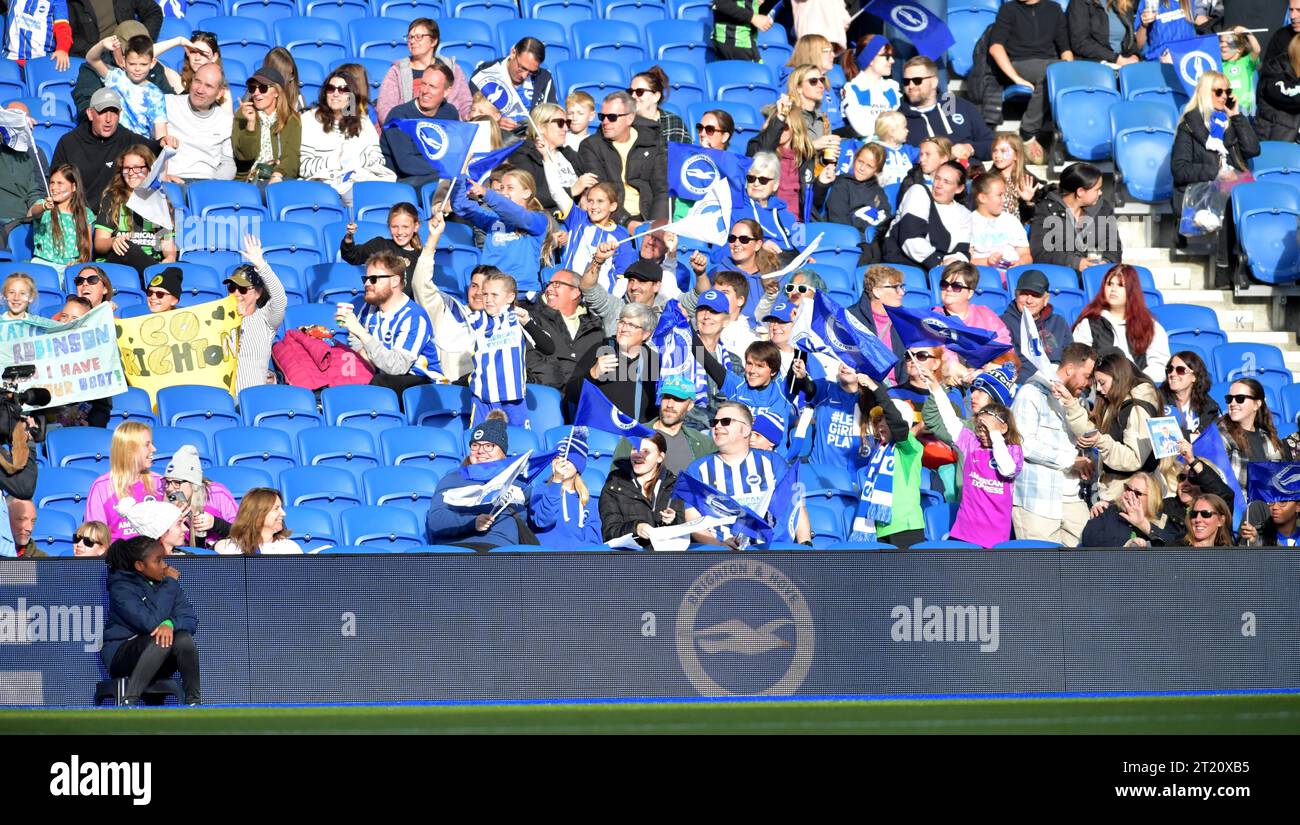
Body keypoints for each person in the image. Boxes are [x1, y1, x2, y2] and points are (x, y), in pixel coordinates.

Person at [683, 402, 811, 547]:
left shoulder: (774, 463)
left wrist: (805, 544)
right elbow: (693, 519)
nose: (717, 426)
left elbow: (797, 507)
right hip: (721, 558)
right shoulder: (697, 469)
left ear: (746, 430)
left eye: (725, 421)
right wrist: (719, 545)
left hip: (771, 553)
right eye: (714, 422)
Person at [1172, 70, 1259, 281]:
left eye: (1227, 91)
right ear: (1204, 92)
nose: (1224, 97)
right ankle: (1225, 270)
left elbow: (1253, 150)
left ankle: (1258, 266)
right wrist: (1216, 173)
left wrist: (1237, 116)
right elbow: (1180, 169)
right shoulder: (1189, 126)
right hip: (1199, 193)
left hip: (1231, 185)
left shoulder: (1231, 122)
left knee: (1253, 197)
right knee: (1231, 198)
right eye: (1218, 91)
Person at [923, 370, 1024, 547]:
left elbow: (1007, 469)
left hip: (996, 536)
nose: (982, 433)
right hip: (965, 532)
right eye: (980, 427)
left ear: (1004, 428)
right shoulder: (971, 443)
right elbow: (949, 418)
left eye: (987, 428)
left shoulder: (1013, 451)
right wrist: (936, 388)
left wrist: (995, 434)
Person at [1011, 342, 1097, 544]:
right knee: (1041, 570)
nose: (1088, 384)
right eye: (1086, 376)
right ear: (1069, 369)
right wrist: (1071, 461)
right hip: (1037, 501)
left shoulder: (1078, 401)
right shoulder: (1030, 394)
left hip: (1072, 497)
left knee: (1087, 563)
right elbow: (1023, 444)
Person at [100, 534, 200, 706]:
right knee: (161, 639)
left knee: (183, 638)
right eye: (158, 561)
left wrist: (170, 624)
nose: (165, 566)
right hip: (122, 656)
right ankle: (130, 700)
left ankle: (194, 702)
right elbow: (150, 623)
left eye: (164, 559)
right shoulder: (121, 587)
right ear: (140, 565)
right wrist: (169, 585)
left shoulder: (168, 585)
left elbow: (190, 619)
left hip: (159, 655)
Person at [1057, 351, 1161, 505]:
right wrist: (1071, 404)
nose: (1098, 389)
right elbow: (1091, 431)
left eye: (1102, 382)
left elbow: (1134, 459)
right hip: (1112, 494)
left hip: (1132, 499)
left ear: (1118, 379)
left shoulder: (1138, 408)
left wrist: (1101, 441)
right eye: (1096, 383)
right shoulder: (1113, 402)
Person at [336, 250, 443, 397]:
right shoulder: (369, 308)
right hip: (383, 376)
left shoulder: (414, 317)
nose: (367, 283)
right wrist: (363, 351)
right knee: (342, 365)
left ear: (394, 281)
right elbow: (355, 339)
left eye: (373, 279)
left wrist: (361, 333)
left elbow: (398, 367)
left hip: (422, 385)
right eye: (365, 278)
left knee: (380, 383)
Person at [426, 414, 533, 549]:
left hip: (504, 551)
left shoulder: (518, 483)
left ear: (503, 453)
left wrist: (557, 481)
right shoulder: (453, 479)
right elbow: (436, 519)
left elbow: (542, 519)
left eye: (489, 446)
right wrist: (472, 523)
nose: (481, 451)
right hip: (460, 549)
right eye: (475, 445)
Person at [987, 0, 1074, 164]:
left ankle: (1070, 138)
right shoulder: (1009, 9)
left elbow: (1065, 49)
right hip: (1019, 64)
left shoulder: (1054, 8)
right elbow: (995, 48)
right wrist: (1016, 78)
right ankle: (1027, 131)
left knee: (1064, 73)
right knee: (1052, 71)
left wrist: (1068, 73)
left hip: (1050, 65)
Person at [51, 87, 165, 208]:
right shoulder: (69, 142)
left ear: (120, 114)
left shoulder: (127, 138)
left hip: (114, 216)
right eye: (102, 112)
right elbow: (56, 184)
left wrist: (164, 142)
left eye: (114, 112)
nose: (108, 119)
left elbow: (157, 148)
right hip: (80, 217)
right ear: (90, 114)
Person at [750, 70, 837, 225]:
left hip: (798, 225)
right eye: (777, 126)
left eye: (785, 127)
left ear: (795, 129)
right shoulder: (758, 148)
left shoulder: (804, 157)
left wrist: (822, 184)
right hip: (770, 222)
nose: (779, 130)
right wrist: (781, 117)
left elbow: (812, 203)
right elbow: (766, 149)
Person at [299, 69, 396, 205]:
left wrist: (354, 165)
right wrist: (335, 162)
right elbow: (304, 165)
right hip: (323, 185)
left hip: (358, 181)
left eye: (342, 89)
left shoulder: (363, 121)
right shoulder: (308, 120)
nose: (335, 94)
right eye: (331, 89)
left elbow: (377, 159)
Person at [846, 382, 924, 548]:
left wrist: (876, 389)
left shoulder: (910, 447)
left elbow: (898, 423)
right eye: (878, 420)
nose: (880, 424)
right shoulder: (880, 451)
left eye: (885, 419)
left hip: (905, 528)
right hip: (881, 529)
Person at [451, 173, 554, 295]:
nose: (504, 192)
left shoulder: (538, 220)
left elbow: (518, 215)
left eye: (510, 188)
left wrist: (488, 195)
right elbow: (460, 205)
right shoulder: (492, 219)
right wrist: (459, 176)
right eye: (501, 188)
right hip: (490, 292)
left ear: (526, 193)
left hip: (520, 292)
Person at [578, 90, 668, 228]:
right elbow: (599, 191)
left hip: (648, 217)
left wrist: (655, 226)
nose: (605, 122)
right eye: (602, 117)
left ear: (630, 118)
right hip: (613, 220)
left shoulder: (652, 143)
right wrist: (627, 223)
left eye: (612, 117)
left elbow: (662, 190)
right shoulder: (591, 146)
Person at [1072, 264, 1169, 384]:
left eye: (1120, 285)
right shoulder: (1089, 323)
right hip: (1101, 391)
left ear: (1131, 290)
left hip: (1139, 389)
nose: (1113, 289)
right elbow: (1080, 363)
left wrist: (1135, 382)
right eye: (1109, 284)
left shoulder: (1150, 325)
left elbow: (1159, 366)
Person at [565, 302, 661, 424]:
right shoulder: (600, 349)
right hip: (598, 431)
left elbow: (656, 410)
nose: (624, 328)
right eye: (622, 322)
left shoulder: (653, 361)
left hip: (633, 436)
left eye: (631, 325)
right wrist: (593, 373)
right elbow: (570, 394)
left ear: (646, 334)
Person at [92, 144, 177, 275]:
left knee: (187, 268)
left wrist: (170, 258)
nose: (131, 173)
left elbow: (167, 245)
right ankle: (157, 275)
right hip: (118, 262)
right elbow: (99, 243)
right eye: (126, 168)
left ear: (149, 169)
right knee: (129, 247)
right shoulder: (112, 199)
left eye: (137, 168)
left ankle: (156, 275)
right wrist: (113, 241)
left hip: (148, 262)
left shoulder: (159, 200)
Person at [611, 374, 716, 474]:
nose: (670, 404)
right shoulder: (635, 435)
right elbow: (615, 482)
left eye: (678, 399)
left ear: (690, 405)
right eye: (666, 397)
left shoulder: (702, 443)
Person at [379, 63, 461, 191]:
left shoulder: (450, 113)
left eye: (432, 86)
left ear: (446, 91)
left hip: (437, 176)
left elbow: (453, 151)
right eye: (424, 84)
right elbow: (407, 164)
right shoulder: (400, 116)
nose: (425, 91)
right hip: (402, 183)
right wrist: (448, 169)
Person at [520, 268, 604, 391]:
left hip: (585, 396)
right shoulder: (532, 320)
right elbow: (533, 360)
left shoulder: (595, 326)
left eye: (557, 284)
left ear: (575, 292)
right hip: (551, 394)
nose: (548, 289)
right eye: (548, 284)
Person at [1029, 161, 1122, 272]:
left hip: (1095, 276)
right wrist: (1075, 263)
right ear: (1080, 192)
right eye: (1097, 189)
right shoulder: (1046, 209)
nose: (1101, 193)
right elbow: (1039, 253)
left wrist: (1106, 262)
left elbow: (1113, 246)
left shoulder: (1103, 209)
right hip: (1058, 277)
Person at [897, 56, 994, 162]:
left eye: (917, 80)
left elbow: (991, 145)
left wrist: (970, 148)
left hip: (970, 174)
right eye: (906, 81)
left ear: (934, 82)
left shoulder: (960, 106)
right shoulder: (899, 119)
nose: (910, 86)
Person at [376, 17, 472, 124]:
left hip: (448, 127)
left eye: (419, 37)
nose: (412, 41)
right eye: (410, 37)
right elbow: (385, 108)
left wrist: (470, 117)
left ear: (434, 41)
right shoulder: (397, 71)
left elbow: (465, 104)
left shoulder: (452, 69)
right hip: (408, 129)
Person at [224, 235, 288, 395]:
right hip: (223, 403)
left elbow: (280, 298)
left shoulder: (264, 319)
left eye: (243, 289)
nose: (236, 293)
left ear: (258, 293)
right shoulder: (217, 320)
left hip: (253, 401)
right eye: (232, 288)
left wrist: (261, 264)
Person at [600, 433, 684, 549]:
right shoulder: (615, 483)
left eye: (646, 451)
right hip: (627, 560)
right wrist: (636, 528)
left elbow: (683, 534)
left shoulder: (673, 485)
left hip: (665, 559)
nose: (638, 454)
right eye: (635, 448)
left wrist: (672, 521)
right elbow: (609, 531)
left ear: (660, 457)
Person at [883, 160, 972, 268]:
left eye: (946, 182)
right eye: (937, 178)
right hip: (903, 263)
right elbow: (911, 240)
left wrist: (953, 263)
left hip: (942, 269)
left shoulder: (964, 213)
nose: (939, 185)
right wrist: (939, 264)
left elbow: (962, 251)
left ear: (959, 188)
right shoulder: (918, 192)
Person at [84, 30, 169, 141]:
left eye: (143, 64)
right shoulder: (116, 77)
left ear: (152, 63)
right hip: (112, 142)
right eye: (132, 64)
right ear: (124, 61)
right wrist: (102, 44)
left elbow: (161, 133)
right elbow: (91, 59)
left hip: (139, 147)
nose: (137, 69)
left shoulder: (156, 94)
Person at [84, 421, 161, 541]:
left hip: (153, 557)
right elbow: (95, 538)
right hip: (116, 558)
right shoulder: (102, 487)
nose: (154, 449)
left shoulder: (159, 483)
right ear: (129, 449)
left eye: (152, 443)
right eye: (147, 445)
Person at [511, 101, 589, 217]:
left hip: (578, 217)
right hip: (549, 220)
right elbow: (529, 195)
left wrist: (586, 195)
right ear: (541, 127)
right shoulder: (523, 155)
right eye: (560, 123)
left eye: (567, 122)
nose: (566, 128)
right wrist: (571, 191)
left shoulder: (567, 153)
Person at [555, 183, 635, 294]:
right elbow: (556, 192)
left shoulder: (622, 235)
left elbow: (622, 276)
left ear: (613, 206)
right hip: (569, 291)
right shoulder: (578, 218)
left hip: (601, 299)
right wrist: (548, 164)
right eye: (590, 201)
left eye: (600, 201)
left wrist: (612, 303)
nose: (593, 206)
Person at [819, 142, 892, 264]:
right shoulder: (842, 185)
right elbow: (840, 222)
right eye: (860, 162)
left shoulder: (878, 191)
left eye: (869, 166)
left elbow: (885, 218)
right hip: (844, 243)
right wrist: (866, 222)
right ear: (855, 159)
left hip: (870, 243)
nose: (862, 168)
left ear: (876, 170)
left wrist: (861, 221)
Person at [162, 62, 235, 182]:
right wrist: (162, 175)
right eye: (197, 81)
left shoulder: (226, 120)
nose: (200, 90)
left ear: (220, 93)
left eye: (208, 86)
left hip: (206, 182)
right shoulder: (168, 104)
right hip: (172, 178)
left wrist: (212, 187)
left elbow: (228, 163)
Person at [1000, 269, 1074, 384]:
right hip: (1022, 386)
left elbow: (1071, 360)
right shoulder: (1003, 323)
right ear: (1016, 295)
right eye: (1024, 294)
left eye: (1036, 295)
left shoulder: (1058, 323)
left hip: (1058, 386)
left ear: (1046, 299)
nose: (1029, 300)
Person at [529, 430, 603, 546]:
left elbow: (594, 541)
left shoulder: (588, 501)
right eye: (557, 458)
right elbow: (543, 520)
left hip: (580, 560)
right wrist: (557, 481)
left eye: (568, 459)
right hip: (548, 559)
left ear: (578, 466)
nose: (562, 462)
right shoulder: (540, 491)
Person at [933, 262, 1012, 369]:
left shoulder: (985, 314)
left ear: (970, 293)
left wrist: (990, 367)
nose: (948, 289)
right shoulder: (933, 318)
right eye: (944, 284)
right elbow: (939, 350)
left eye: (956, 286)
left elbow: (1003, 345)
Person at [232, 65, 301, 184]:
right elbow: (244, 157)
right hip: (248, 180)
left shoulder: (291, 119)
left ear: (276, 92)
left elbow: (292, 157)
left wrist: (277, 174)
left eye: (263, 88)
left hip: (280, 178)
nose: (256, 93)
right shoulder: (242, 114)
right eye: (252, 88)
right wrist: (251, 124)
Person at [472, 36, 556, 134]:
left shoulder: (543, 78)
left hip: (532, 140)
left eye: (531, 72)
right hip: (496, 140)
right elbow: (473, 116)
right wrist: (496, 123)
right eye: (522, 68)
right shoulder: (484, 74)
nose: (524, 76)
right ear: (513, 53)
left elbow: (550, 116)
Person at [579, 248, 668, 337]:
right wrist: (598, 260)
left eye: (642, 281)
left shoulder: (669, 315)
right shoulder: (614, 307)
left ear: (656, 286)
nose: (634, 287)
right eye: (631, 281)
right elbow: (588, 287)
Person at [161, 445, 236, 550]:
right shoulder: (168, 498)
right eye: (167, 482)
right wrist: (174, 522)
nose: (169, 488)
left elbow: (242, 534)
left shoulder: (217, 493)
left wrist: (215, 523)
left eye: (177, 482)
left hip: (218, 556)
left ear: (193, 483)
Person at [1219, 377, 1288, 488]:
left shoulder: (1268, 438)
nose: (1232, 403)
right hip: (1239, 502)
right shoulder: (1221, 435)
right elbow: (1220, 482)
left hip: (1270, 502)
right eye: (1229, 398)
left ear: (1257, 404)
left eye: (1240, 398)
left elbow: (1279, 480)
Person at [27, 164, 94, 270]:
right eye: (52, 182)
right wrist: (44, 206)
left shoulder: (85, 213)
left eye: (60, 183)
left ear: (74, 187)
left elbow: (87, 248)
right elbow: (32, 213)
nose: (54, 187)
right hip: (43, 264)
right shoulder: (43, 206)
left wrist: (79, 263)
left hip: (71, 267)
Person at [731, 151, 800, 253]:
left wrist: (808, 255)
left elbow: (801, 242)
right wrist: (759, 247)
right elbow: (722, 251)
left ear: (775, 185)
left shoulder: (787, 214)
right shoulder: (735, 210)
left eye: (763, 180)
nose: (756, 184)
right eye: (751, 178)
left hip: (789, 261)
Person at [340, 202, 422, 288]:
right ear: (388, 226)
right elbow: (351, 255)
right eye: (394, 227)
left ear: (416, 226)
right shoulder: (379, 245)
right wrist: (349, 236)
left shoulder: (423, 256)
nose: (400, 232)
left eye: (405, 227)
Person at [1078, 470, 1169, 547]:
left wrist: (1143, 524)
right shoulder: (1105, 510)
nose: (1129, 494)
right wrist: (1124, 545)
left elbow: (1170, 543)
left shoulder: (1160, 519)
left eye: (1137, 493)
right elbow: (1088, 539)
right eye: (1128, 488)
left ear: (1151, 499)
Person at [1254, 1, 1300, 141]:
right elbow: (1270, 85)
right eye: (1291, 10)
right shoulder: (1282, 38)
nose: (1293, 15)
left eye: (1298, 10)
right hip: (1281, 129)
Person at [968, 173, 1033, 271]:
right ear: (982, 198)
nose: (1004, 199)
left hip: (1013, 275)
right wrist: (987, 261)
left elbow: (1026, 255)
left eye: (1004, 195)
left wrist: (1021, 263)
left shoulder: (1011, 221)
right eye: (1000, 195)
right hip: (984, 275)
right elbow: (966, 260)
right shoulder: (969, 222)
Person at [841, 35, 900, 140]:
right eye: (886, 56)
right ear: (871, 60)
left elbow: (900, 127)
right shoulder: (852, 88)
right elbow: (863, 129)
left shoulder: (892, 88)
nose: (892, 61)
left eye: (892, 56)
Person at [213, 488, 302, 555]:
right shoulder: (228, 548)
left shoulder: (290, 548)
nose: (283, 513)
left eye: (281, 508)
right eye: (276, 509)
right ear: (258, 514)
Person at [1157, 350, 1219, 440]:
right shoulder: (1158, 400)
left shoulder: (1207, 406)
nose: (1173, 374)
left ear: (1194, 377)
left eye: (1180, 370)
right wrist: (1191, 436)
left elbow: (1210, 439)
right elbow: (1162, 435)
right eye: (1170, 369)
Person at [989, 133, 1044, 224]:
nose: (997, 155)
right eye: (995, 151)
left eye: (1003, 151)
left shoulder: (1029, 181)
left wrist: (1028, 202)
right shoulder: (987, 180)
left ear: (1016, 155)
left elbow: (1034, 219)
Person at [1067, 0, 1143, 66]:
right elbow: (1080, 42)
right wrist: (1115, 58)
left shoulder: (1123, 3)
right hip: (1093, 64)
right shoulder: (1080, 2)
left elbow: (1130, 39)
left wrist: (1134, 55)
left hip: (1122, 62)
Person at [630, 66, 690, 149]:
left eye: (639, 92)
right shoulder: (626, 122)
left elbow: (679, 157)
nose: (633, 96)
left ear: (656, 96)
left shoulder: (673, 123)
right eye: (630, 91)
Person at [152, 30, 223, 98]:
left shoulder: (221, 90)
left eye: (202, 54)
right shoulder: (177, 80)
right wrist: (179, 41)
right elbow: (144, 55)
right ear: (188, 54)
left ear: (214, 57)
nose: (197, 58)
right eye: (193, 52)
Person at [895, 135, 956, 206]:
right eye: (921, 154)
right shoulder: (911, 180)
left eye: (928, 154)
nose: (921, 159)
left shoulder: (956, 181)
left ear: (944, 158)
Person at [115, 495, 186, 554]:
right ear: (161, 530)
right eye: (179, 524)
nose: (185, 529)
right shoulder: (140, 567)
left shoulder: (187, 558)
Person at [1221, 27, 1263, 116]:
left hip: (1246, 112)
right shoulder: (1219, 65)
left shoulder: (1247, 62)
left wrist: (1248, 32)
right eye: (1221, 41)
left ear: (1239, 48)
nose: (1223, 45)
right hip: (1226, 111)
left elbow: (1257, 50)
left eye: (1228, 42)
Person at [872, 110, 918, 189]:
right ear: (891, 132)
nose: (907, 130)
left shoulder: (907, 150)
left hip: (906, 193)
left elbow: (927, 154)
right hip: (884, 195)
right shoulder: (875, 151)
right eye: (904, 127)